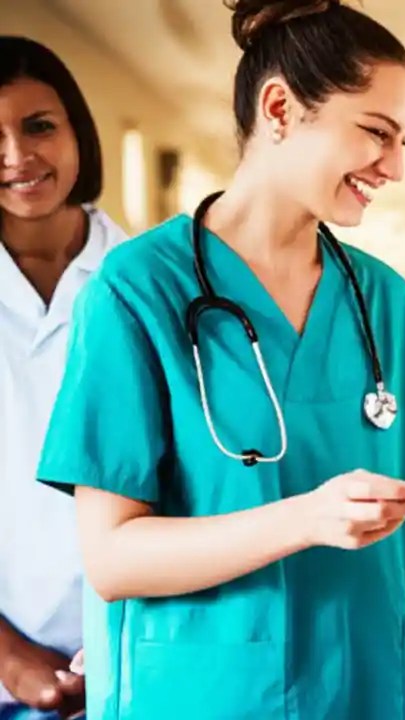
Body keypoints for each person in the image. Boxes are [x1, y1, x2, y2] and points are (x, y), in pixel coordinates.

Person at [32, 1, 405, 718]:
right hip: (202, 695)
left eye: (404, 140)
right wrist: (307, 519)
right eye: (376, 133)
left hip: (370, 691)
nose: (396, 167)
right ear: (280, 108)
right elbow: (112, 558)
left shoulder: (391, 307)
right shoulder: (139, 291)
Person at [0, 36, 126, 720]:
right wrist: (10, 659)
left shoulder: (150, 279)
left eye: (39, 126)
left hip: (141, 662)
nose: (18, 156)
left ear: (77, 130)